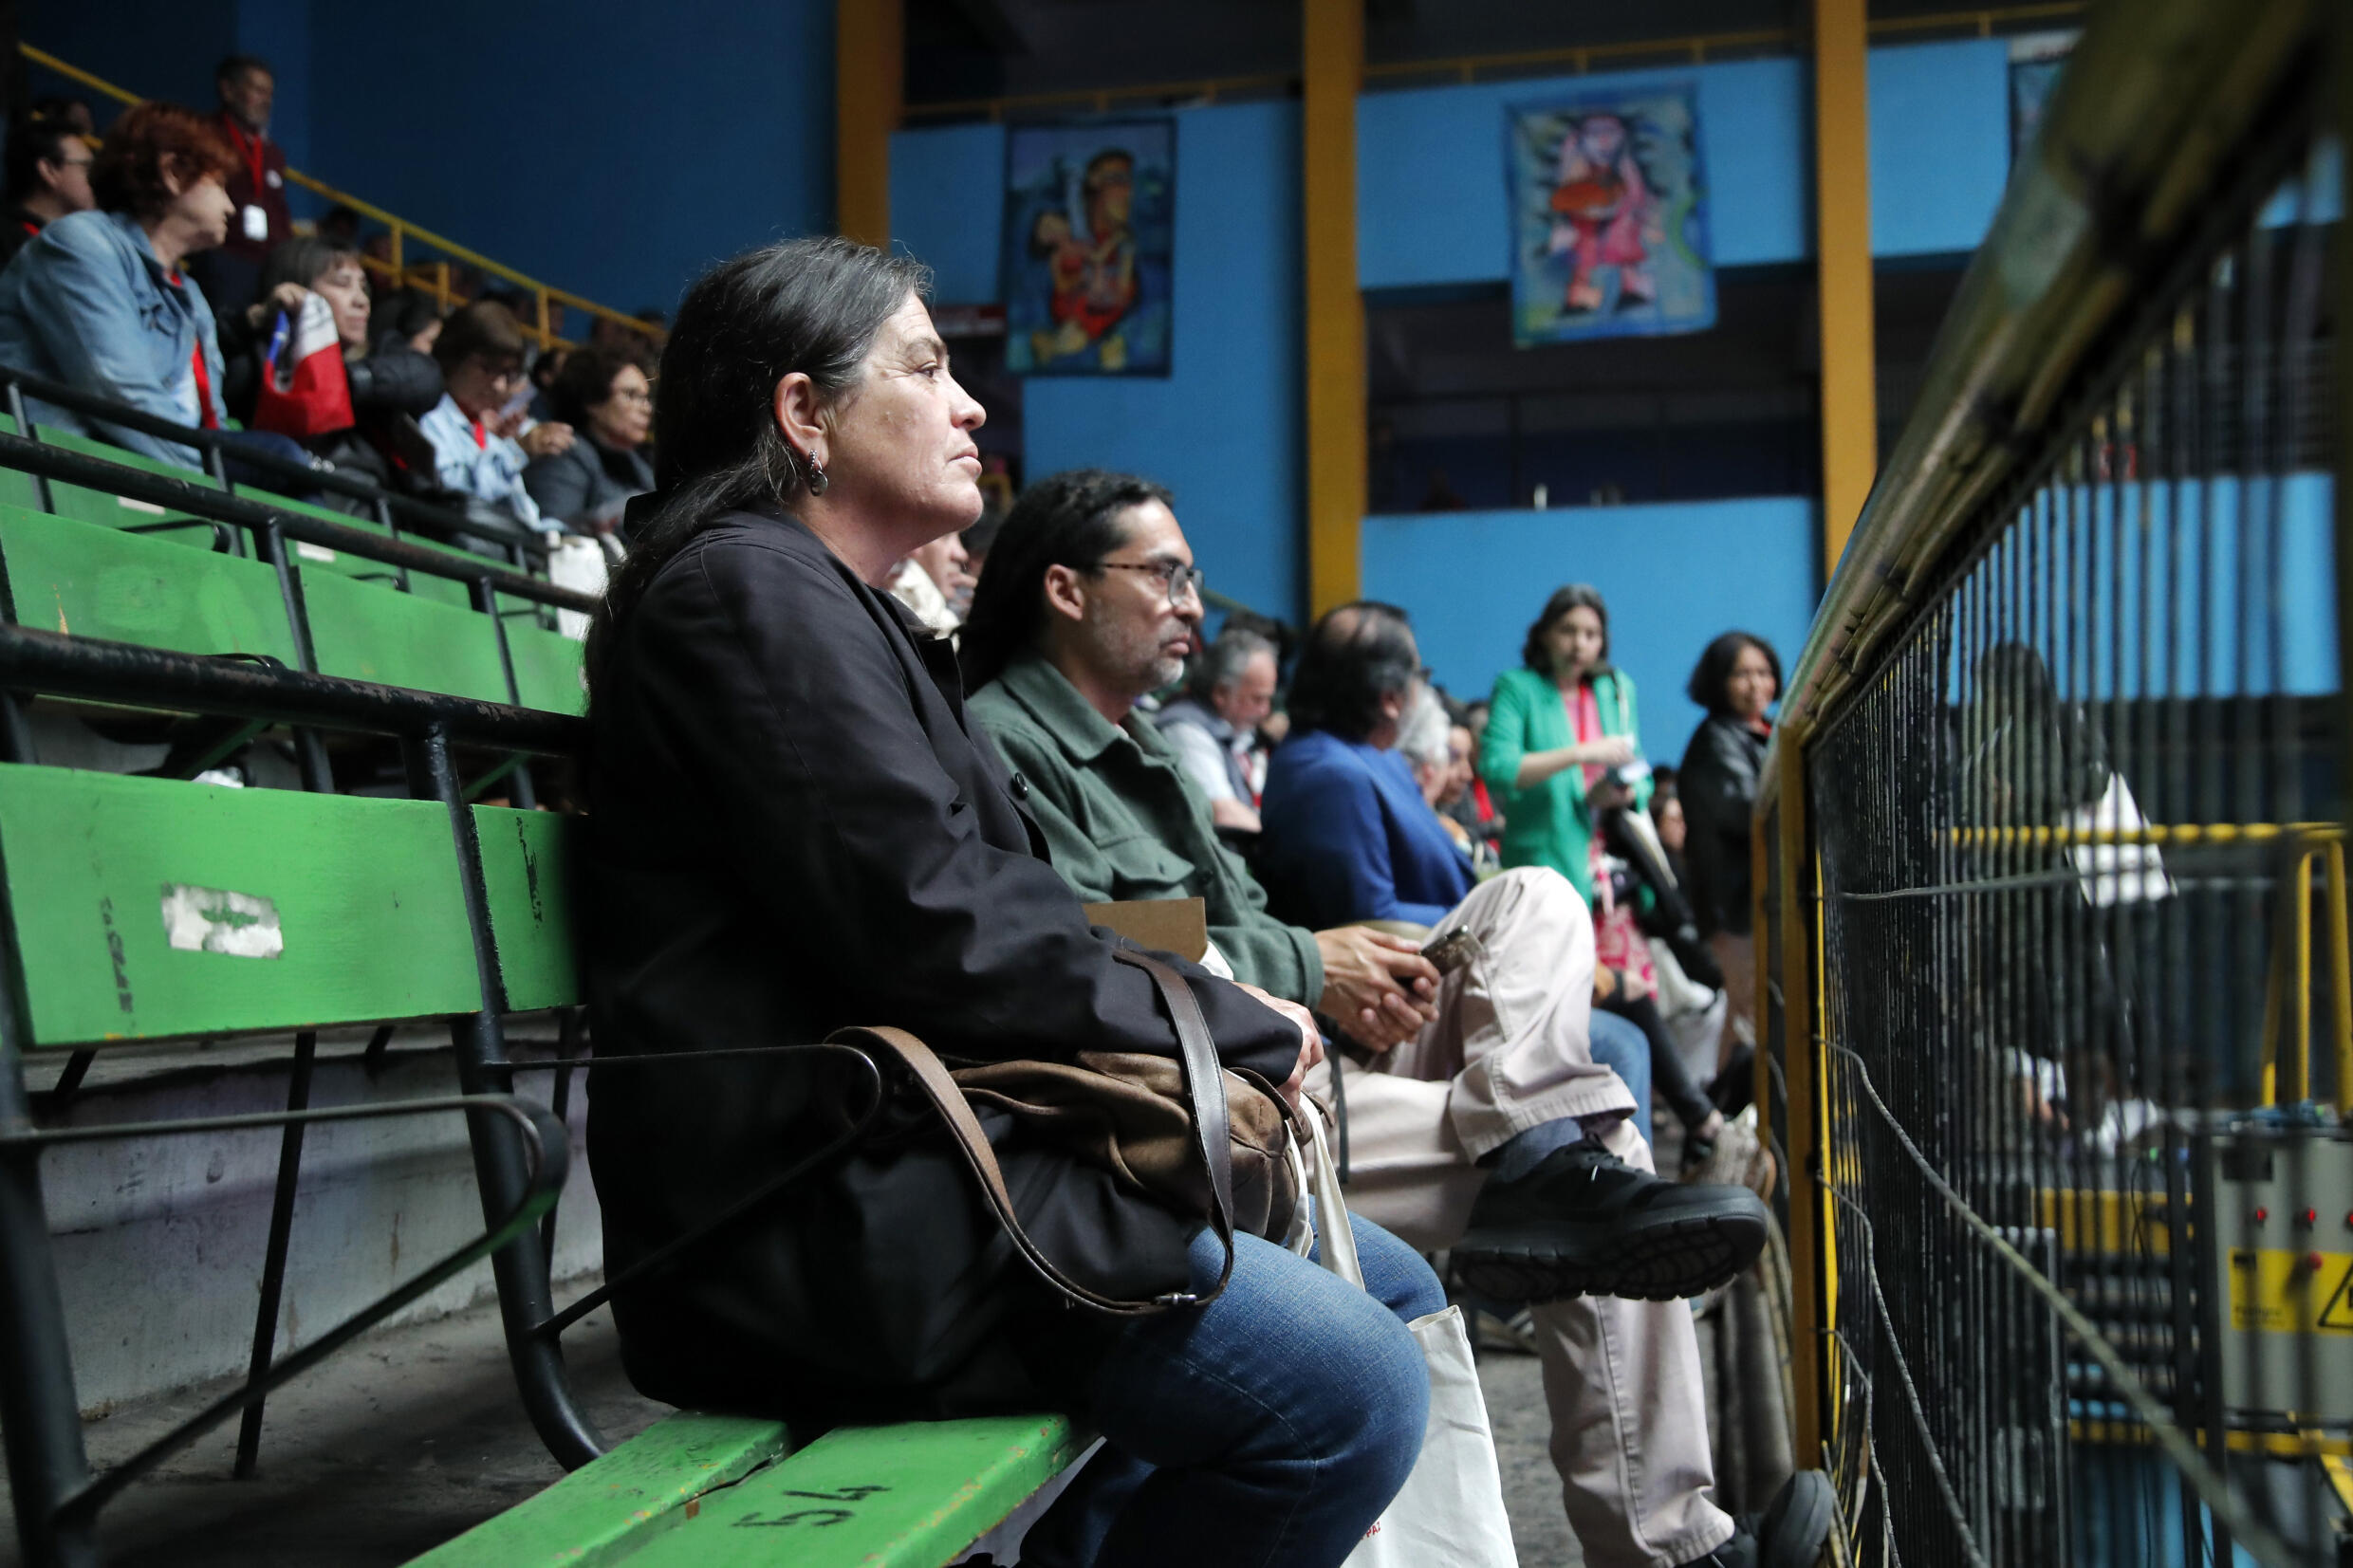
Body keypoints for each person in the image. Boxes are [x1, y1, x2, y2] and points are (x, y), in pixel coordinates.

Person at [583, 237, 1441, 1568]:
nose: (973, 403)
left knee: (1392, 1280)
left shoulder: (817, 598)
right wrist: (1229, 1019)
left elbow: (971, 902)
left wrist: (1223, 1009)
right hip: (817, 1211)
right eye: (926, 366)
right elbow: (936, 918)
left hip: (910, 1155)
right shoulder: (742, 589)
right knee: (1356, 1389)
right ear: (804, 414)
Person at [964, 515, 1810, 1567]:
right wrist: (1313, 964)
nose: (1192, 601)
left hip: (1302, 1042)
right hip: (1214, 1096)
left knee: (1537, 900)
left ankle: (1540, 1156)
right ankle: (1669, 1543)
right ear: (1064, 588)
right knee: (1609, 1158)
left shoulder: (1154, 748)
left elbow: (1249, 917)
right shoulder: (1002, 740)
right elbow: (1067, 943)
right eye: (1167, 575)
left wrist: (1324, 961)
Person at [0, 102, 244, 469]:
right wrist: (215, 472)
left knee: (287, 467)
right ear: (173, 172)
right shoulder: (77, 243)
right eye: (220, 185)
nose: (231, 207)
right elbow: (118, 391)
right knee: (282, 461)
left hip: (161, 466)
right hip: (79, 472)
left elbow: (210, 417)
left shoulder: (191, 295)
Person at [213, 236, 444, 501]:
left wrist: (336, 381)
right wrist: (252, 321)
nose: (361, 301)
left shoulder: (380, 358)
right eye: (342, 284)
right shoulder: (255, 364)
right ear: (295, 289)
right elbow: (215, 360)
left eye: (364, 288)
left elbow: (428, 377)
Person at [1678, 631, 1780, 1074]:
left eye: (1763, 672)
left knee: (1754, 1017)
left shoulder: (1762, 732)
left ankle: (1730, 1121)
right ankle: (1729, 1123)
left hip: (1762, 902)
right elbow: (1750, 811)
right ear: (1718, 681)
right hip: (1736, 907)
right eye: (1741, 674)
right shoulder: (1715, 742)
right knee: (1749, 1019)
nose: (1755, 684)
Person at [421, 300, 571, 529]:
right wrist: (518, 450)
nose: (500, 386)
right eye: (487, 368)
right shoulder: (429, 416)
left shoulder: (491, 439)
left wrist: (571, 535)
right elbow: (451, 495)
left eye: (508, 374)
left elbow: (528, 520)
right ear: (452, 359)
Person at [183, 55, 290, 317]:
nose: (266, 100)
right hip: (222, 258)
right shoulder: (203, 135)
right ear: (228, 90)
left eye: (270, 93)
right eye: (257, 90)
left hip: (266, 265)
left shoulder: (271, 153)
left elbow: (278, 209)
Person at [1155, 624, 1276, 833]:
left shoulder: (1241, 730)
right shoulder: (1184, 729)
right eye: (1257, 699)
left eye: (1268, 699)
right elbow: (1223, 812)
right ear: (1221, 692)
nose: (1266, 711)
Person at [522, 346, 653, 537]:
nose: (646, 408)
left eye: (647, 398)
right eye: (631, 395)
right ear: (593, 401)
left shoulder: (638, 464)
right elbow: (553, 537)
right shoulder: (562, 452)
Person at [0, 112, 96, 268]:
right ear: (49, 170)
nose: (94, 178)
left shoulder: (81, 240)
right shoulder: (8, 241)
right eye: (86, 167)